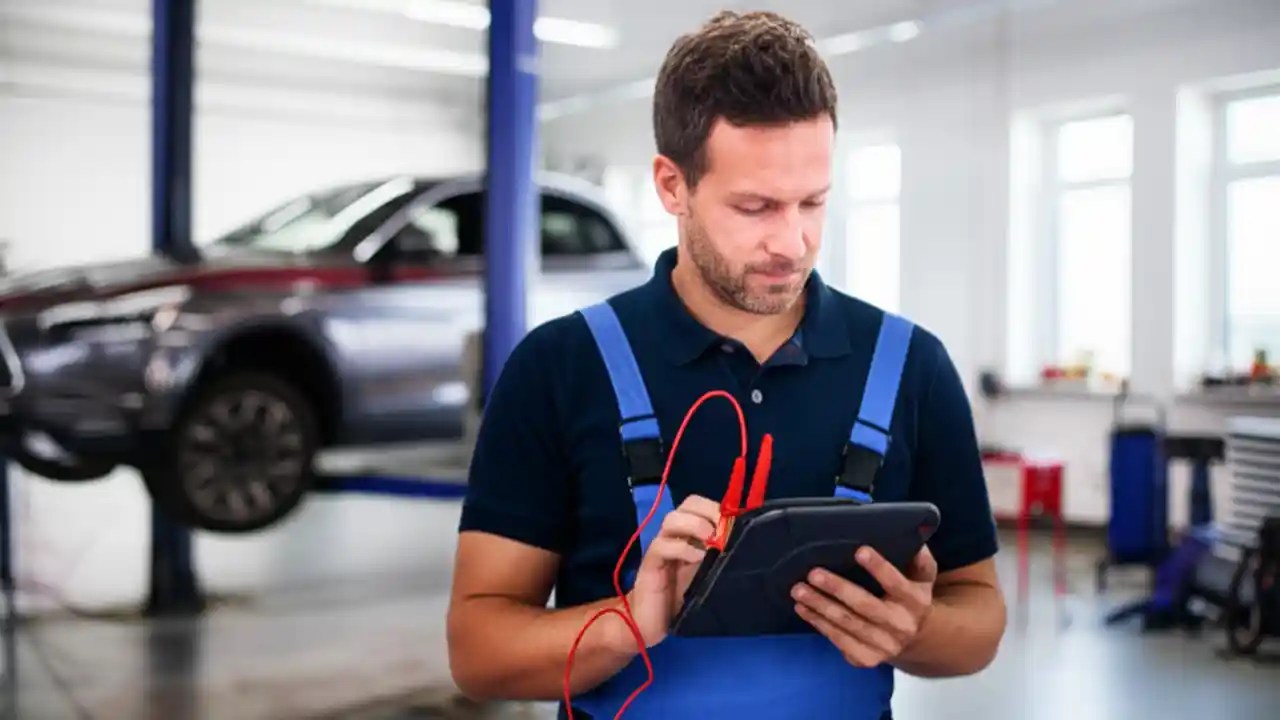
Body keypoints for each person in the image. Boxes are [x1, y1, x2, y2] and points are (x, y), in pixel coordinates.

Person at [447, 10, 1006, 719]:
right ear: (672, 185)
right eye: (755, 206)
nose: (792, 242)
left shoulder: (909, 367)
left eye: (813, 202)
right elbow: (477, 651)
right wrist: (627, 624)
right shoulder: (559, 367)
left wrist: (916, 629)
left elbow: (979, 621)